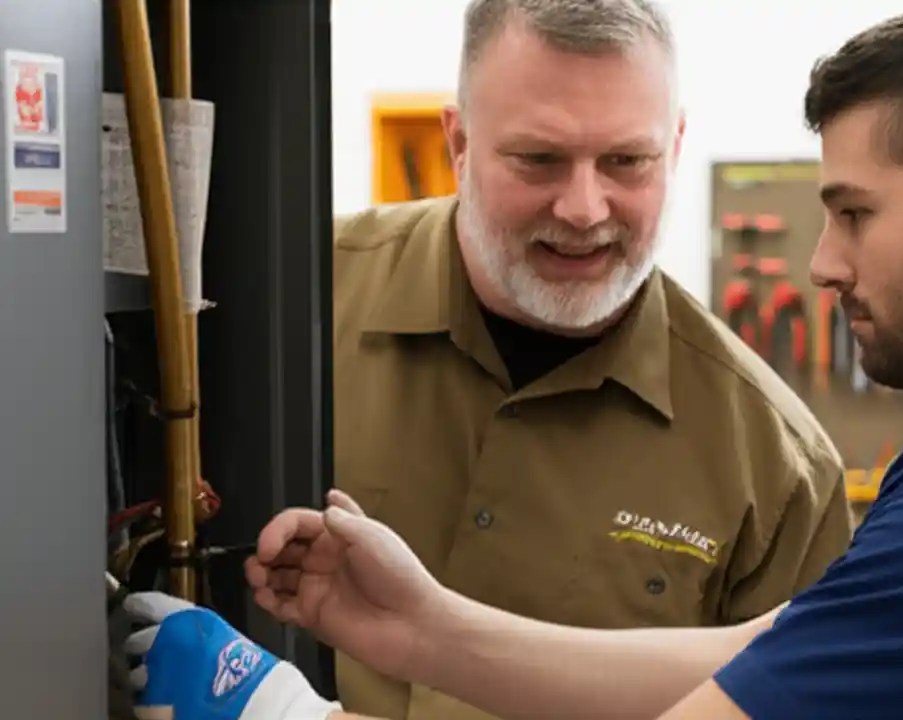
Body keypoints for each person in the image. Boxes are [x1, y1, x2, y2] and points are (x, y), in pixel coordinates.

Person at [122, 1, 903, 718]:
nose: (819, 262)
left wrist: (283, 714)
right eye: (536, 158)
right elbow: (764, 656)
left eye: (853, 212)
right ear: (461, 141)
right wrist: (424, 632)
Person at [328, 0, 854, 717]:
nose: (583, 207)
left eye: (626, 161)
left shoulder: (779, 472)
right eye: (539, 159)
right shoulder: (292, 302)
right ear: (458, 141)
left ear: (673, 147)